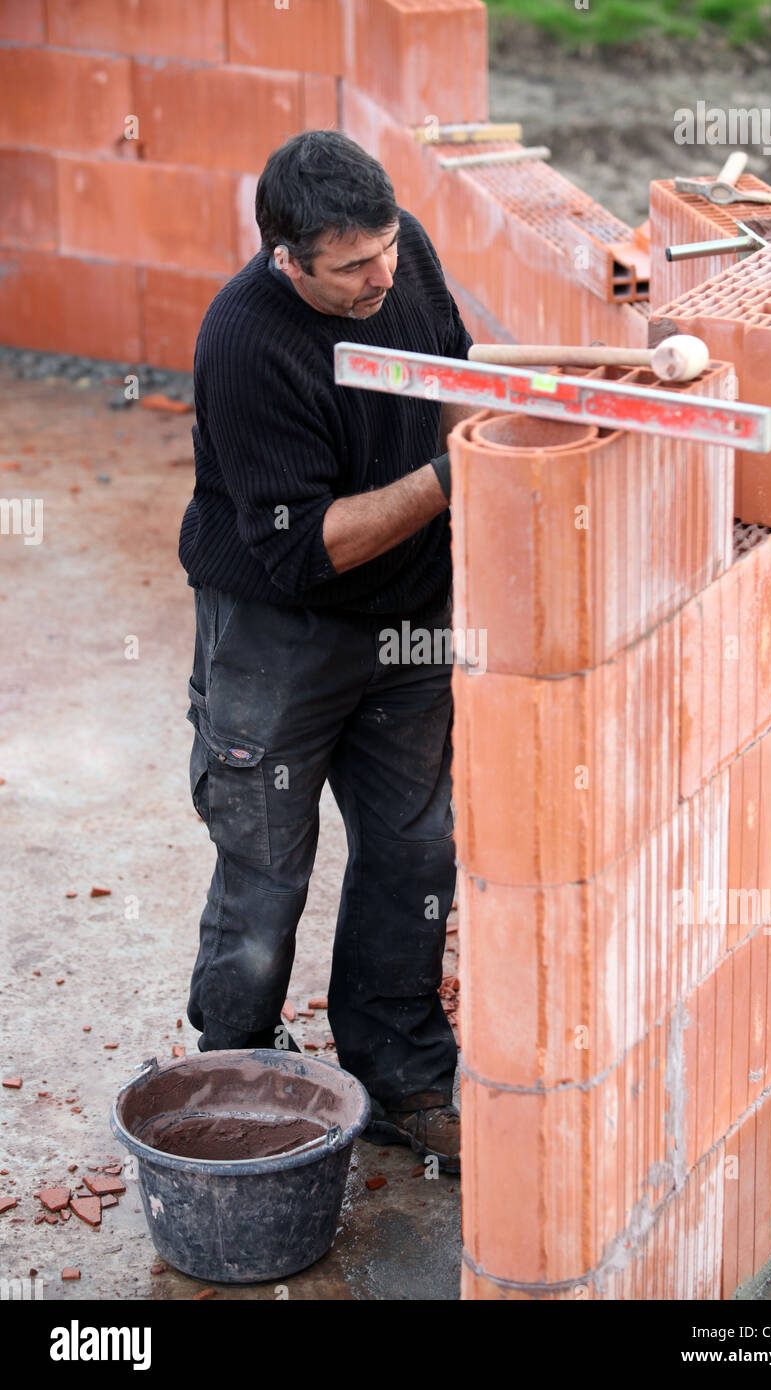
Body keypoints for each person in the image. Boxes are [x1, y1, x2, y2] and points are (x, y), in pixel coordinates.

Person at [177, 130, 476, 1172]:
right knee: (263, 866)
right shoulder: (244, 342)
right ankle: (236, 1076)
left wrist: (485, 438)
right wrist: (449, 479)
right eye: (351, 265)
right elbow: (305, 551)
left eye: (386, 247)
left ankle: (402, 1078)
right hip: (279, 634)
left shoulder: (407, 256)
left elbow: (454, 374)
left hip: (407, 625)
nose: (381, 276)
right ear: (286, 257)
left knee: (412, 852)